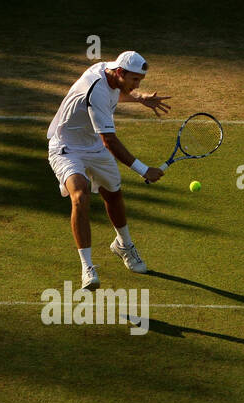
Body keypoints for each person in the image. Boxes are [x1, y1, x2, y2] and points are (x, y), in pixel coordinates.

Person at [47, 50, 171, 289]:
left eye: (140, 81)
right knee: (80, 195)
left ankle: (123, 245)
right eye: (135, 80)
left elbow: (116, 94)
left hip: (93, 145)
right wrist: (144, 170)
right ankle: (88, 267)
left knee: (113, 194)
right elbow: (110, 141)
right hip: (67, 148)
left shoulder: (109, 72)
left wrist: (140, 97)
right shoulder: (97, 88)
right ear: (121, 72)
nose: (137, 84)